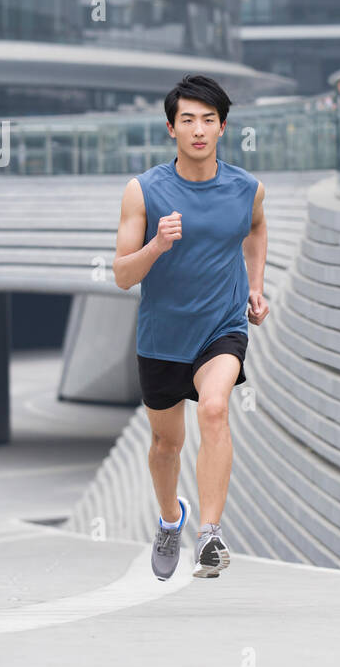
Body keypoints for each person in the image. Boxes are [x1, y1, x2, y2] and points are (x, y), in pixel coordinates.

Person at [112, 74, 269, 580]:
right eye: (187, 120)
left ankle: (209, 535)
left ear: (222, 127)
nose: (198, 130)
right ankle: (169, 520)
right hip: (162, 337)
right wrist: (156, 246)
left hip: (220, 328)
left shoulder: (247, 189)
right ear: (171, 128)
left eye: (208, 120)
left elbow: (258, 228)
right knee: (165, 446)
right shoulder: (144, 191)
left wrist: (255, 285)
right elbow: (121, 276)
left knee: (217, 409)